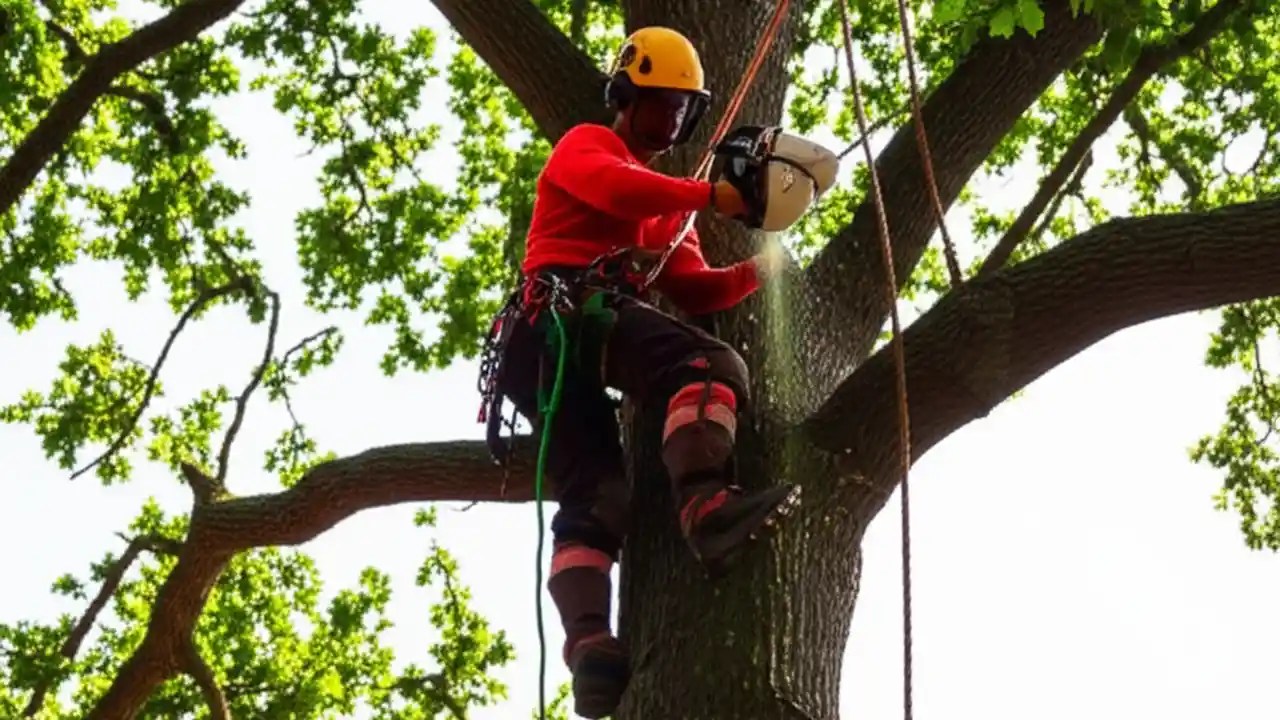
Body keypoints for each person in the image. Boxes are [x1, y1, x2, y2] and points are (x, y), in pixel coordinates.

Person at [486, 25, 800, 719]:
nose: (675, 121)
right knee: (710, 364)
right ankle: (706, 506)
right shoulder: (590, 146)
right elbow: (615, 189)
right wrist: (707, 196)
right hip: (560, 317)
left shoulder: (669, 213)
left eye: (686, 111)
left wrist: (760, 270)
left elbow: (694, 288)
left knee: (596, 498)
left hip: (565, 338)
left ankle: (591, 653)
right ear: (627, 98)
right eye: (664, 105)